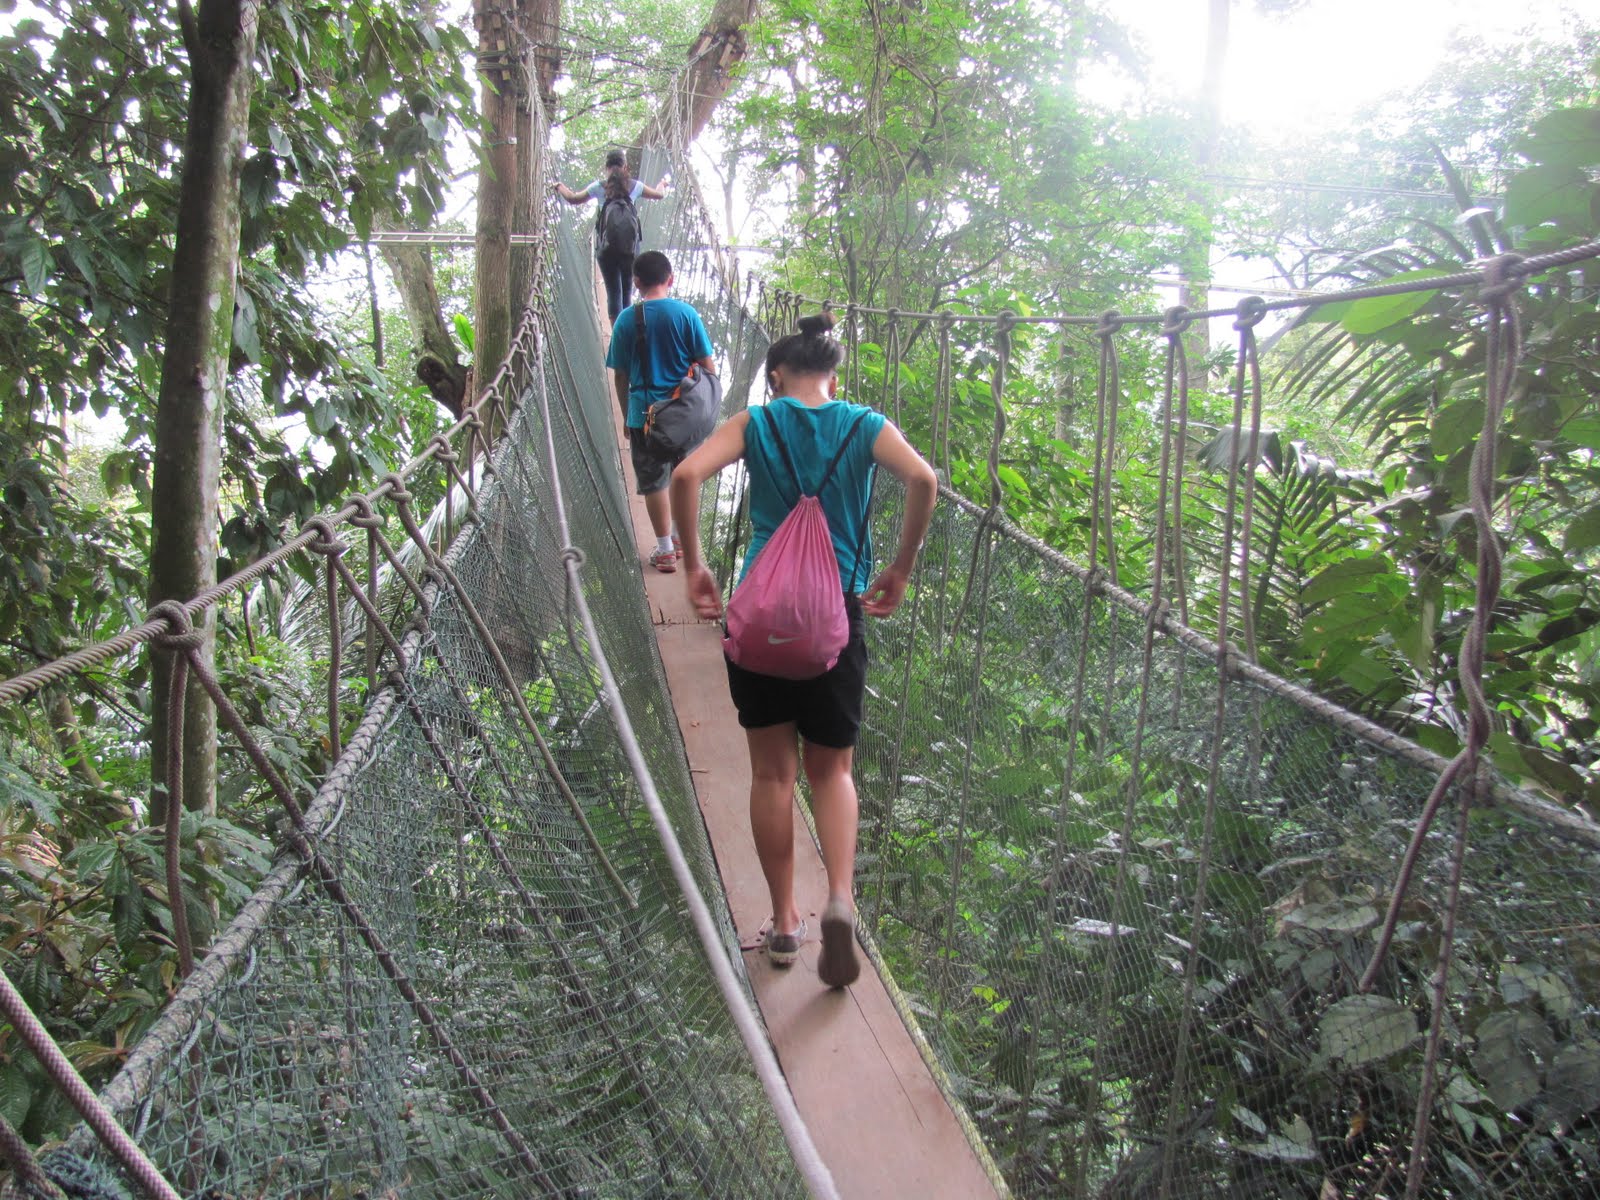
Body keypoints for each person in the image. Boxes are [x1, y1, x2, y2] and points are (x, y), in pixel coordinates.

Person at [669, 313, 938, 989]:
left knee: (772, 776)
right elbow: (924, 480)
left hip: (760, 620)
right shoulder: (864, 424)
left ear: (777, 377)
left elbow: (686, 476)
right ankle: (839, 898)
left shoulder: (756, 423)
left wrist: (696, 567)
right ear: (833, 379)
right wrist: (901, 568)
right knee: (832, 770)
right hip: (835, 620)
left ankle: (786, 923)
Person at [607, 250, 717, 573]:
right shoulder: (686, 314)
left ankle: (666, 550)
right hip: (685, 415)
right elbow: (708, 367)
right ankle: (681, 539)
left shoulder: (625, 319)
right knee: (685, 477)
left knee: (654, 482)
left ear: (636, 282)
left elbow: (620, 375)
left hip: (645, 417)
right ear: (670, 279)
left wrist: (627, 415)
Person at [552, 149, 667, 322]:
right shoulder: (635, 186)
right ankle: (627, 331)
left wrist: (559, 186)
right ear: (625, 166)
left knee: (613, 292)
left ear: (606, 167)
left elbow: (573, 198)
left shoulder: (598, 187)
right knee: (626, 293)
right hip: (630, 249)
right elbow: (659, 195)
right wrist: (662, 184)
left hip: (606, 250)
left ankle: (616, 334)